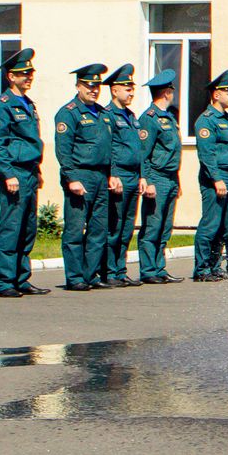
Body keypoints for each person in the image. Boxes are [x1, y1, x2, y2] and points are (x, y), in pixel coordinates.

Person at [0, 47, 49, 298]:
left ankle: (22, 278)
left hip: (30, 172)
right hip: (14, 173)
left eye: (31, 72)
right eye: (24, 74)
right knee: (12, 227)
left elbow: (31, 142)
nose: (29, 77)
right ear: (11, 76)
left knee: (28, 227)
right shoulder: (3, 105)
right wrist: (8, 173)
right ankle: (4, 282)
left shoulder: (28, 104)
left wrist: (38, 170)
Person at [53, 63, 117, 291]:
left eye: (97, 86)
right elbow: (63, 149)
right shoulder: (68, 113)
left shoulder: (102, 113)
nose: (93, 90)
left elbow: (108, 147)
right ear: (78, 85)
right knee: (75, 228)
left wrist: (110, 174)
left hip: (100, 176)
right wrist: (71, 178)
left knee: (98, 229)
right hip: (80, 174)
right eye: (89, 86)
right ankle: (75, 276)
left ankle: (91, 275)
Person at [135, 68, 186, 285]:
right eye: (171, 90)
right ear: (166, 92)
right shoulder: (149, 118)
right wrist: (147, 180)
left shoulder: (169, 117)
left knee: (165, 226)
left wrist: (177, 181)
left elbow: (173, 152)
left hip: (170, 177)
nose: (172, 94)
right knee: (153, 225)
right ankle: (148, 270)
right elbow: (143, 153)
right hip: (156, 176)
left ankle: (159, 267)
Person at [192, 70, 228, 282]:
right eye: (227, 91)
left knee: (226, 226)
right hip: (216, 178)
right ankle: (201, 269)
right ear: (215, 95)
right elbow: (206, 153)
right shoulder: (207, 120)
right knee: (211, 224)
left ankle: (214, 266)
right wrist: (216, 179)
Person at [100, 64, 147, 288]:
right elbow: (108, 148)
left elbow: (138, 149)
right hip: (118, 175)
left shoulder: (131, 116)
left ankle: (120, 269)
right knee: (114, 225)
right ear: (114, 90)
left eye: (132, 88)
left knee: (127, 226)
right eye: (126, 88)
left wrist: (141, 175)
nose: (131, 92)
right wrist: (112, 174)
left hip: (132, 176)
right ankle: (109, 270)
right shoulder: (107, 116)